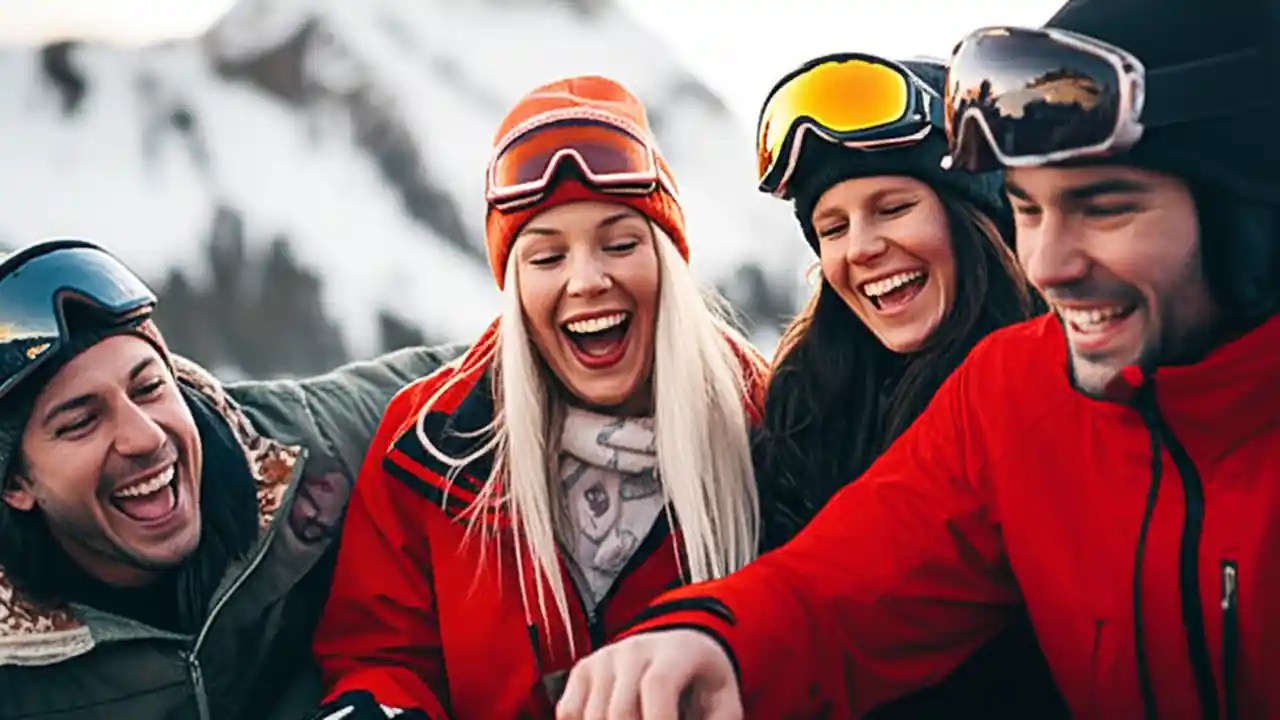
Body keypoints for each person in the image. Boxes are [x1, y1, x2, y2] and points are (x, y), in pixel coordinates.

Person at [554, 0, 1280, 717]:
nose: (1049, 263)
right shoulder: (1015, 392)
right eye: (1029, 209)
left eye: (1106, 208)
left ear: (1250, 212)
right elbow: (852, 580)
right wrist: (712, 640)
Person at [306, 75, 768, 720]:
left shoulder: (768, 423)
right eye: (547, 258)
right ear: (515, 285)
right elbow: (380, 656)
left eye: (621, 243)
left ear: (667, 260)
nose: (587, 280)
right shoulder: (432, 445)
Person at [0, 238, 461, 719]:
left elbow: (503, 364)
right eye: (80, 422)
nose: (144, 436)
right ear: (15, 484)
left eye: (150, 387)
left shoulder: (298, 452)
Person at [749, 54, 1060, 718]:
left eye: (893, 207)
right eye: (832, 227)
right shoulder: (805, 405)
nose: (861, 248)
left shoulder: (1061, 382)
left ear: (974, 217)